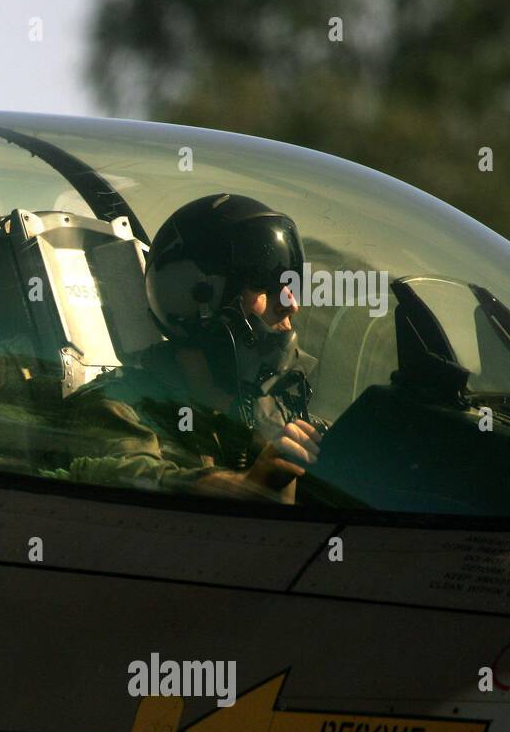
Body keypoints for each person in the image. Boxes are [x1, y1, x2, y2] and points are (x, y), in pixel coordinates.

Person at [64, 193, 324, 504]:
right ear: (201, 300)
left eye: (289, 285)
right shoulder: (118, 407)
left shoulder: (281, 408)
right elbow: (118, 475)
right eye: (263, 285)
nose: (290, 304)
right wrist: (239, 487)